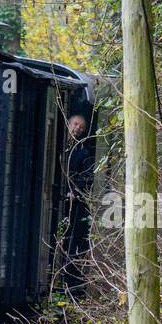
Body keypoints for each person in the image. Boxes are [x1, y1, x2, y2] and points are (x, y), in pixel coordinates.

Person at [62, 111, 94, 295]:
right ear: (68, 123)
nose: (77, 129)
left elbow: (85, 179)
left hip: (73, 204)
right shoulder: (58, 145)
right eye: (75, 124)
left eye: (81, 127)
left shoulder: (84, 153)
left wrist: (74, 193)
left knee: (72, 243)